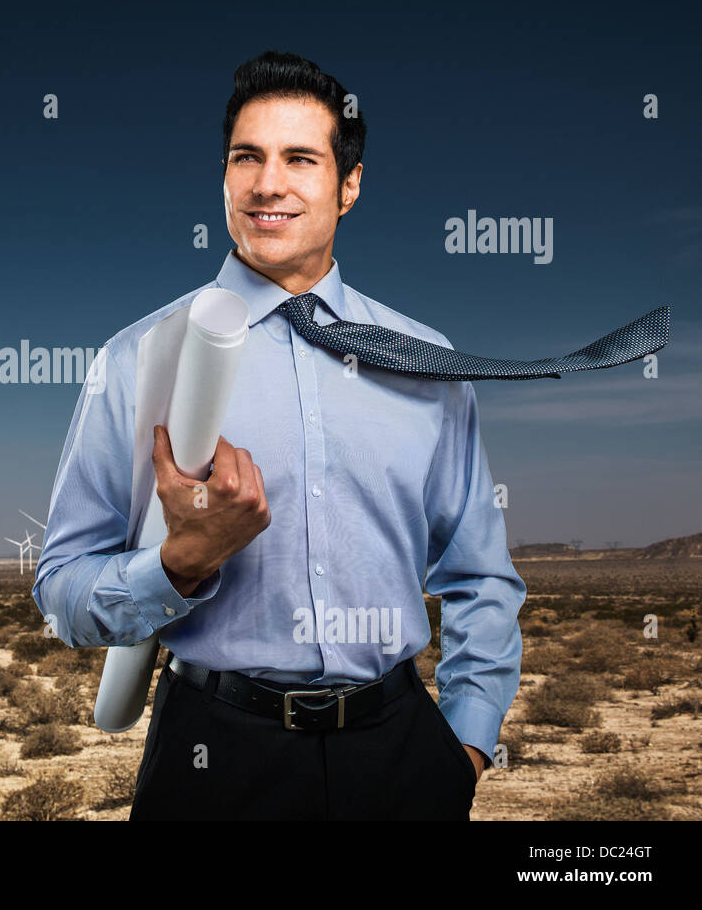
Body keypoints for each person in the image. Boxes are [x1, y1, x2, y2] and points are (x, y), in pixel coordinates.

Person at [31, 50, 526, 820]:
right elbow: (61, 588)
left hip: (401, 756)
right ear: (223, 178)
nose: (268, 183)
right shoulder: (139, 359)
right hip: (210, 757)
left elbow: (481, 577)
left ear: (349, 185)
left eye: (300, 158)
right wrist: (176, 566)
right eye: (246, 158)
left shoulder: (425, 362)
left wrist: (462, 746)